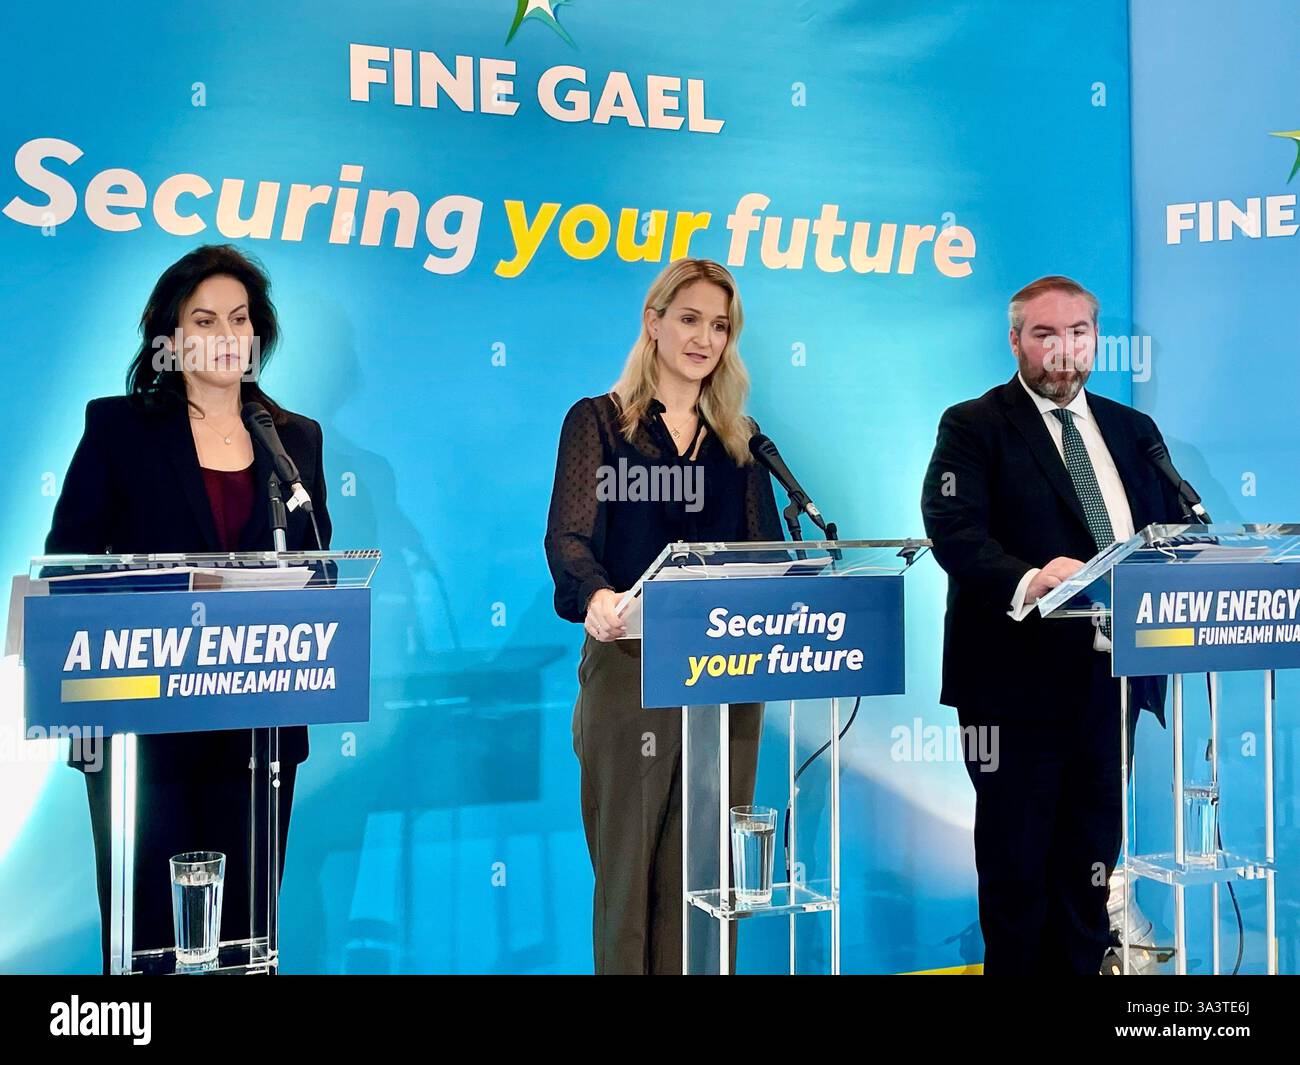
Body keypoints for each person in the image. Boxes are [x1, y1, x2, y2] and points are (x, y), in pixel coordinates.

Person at [45, 243, 332, 973]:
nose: (226, 334)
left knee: (244, 932)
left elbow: (319, 568)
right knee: (151, 936)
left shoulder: (292, 439)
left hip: (257, 726)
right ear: (169, 340)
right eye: (204, 319)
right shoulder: (119, 429)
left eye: (239, 318)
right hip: (144, 724)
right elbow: (68, 566)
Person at [920, 275, 1183, 975]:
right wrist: (1031, 578)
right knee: (1018, 880)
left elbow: (1175, 532)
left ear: (1095, 339)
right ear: (1015, 340)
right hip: (1014, 694)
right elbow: (954, 530)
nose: (1063, 350)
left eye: (1077, 334)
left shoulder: (1135, 432)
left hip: (1112, 686)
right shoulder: (974, 425)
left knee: (1088, 878)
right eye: (1045, 334)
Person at [544, 258, 782, 974]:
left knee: (711, 879)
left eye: (719, 326)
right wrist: (596, 598)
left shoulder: (742, 440)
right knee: (629, 879)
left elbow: (768, 556)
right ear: (653, 323)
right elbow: (569, 538)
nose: (704, 338)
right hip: (631, 663)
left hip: (727, 670)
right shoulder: (599, 422)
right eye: (689, 319)